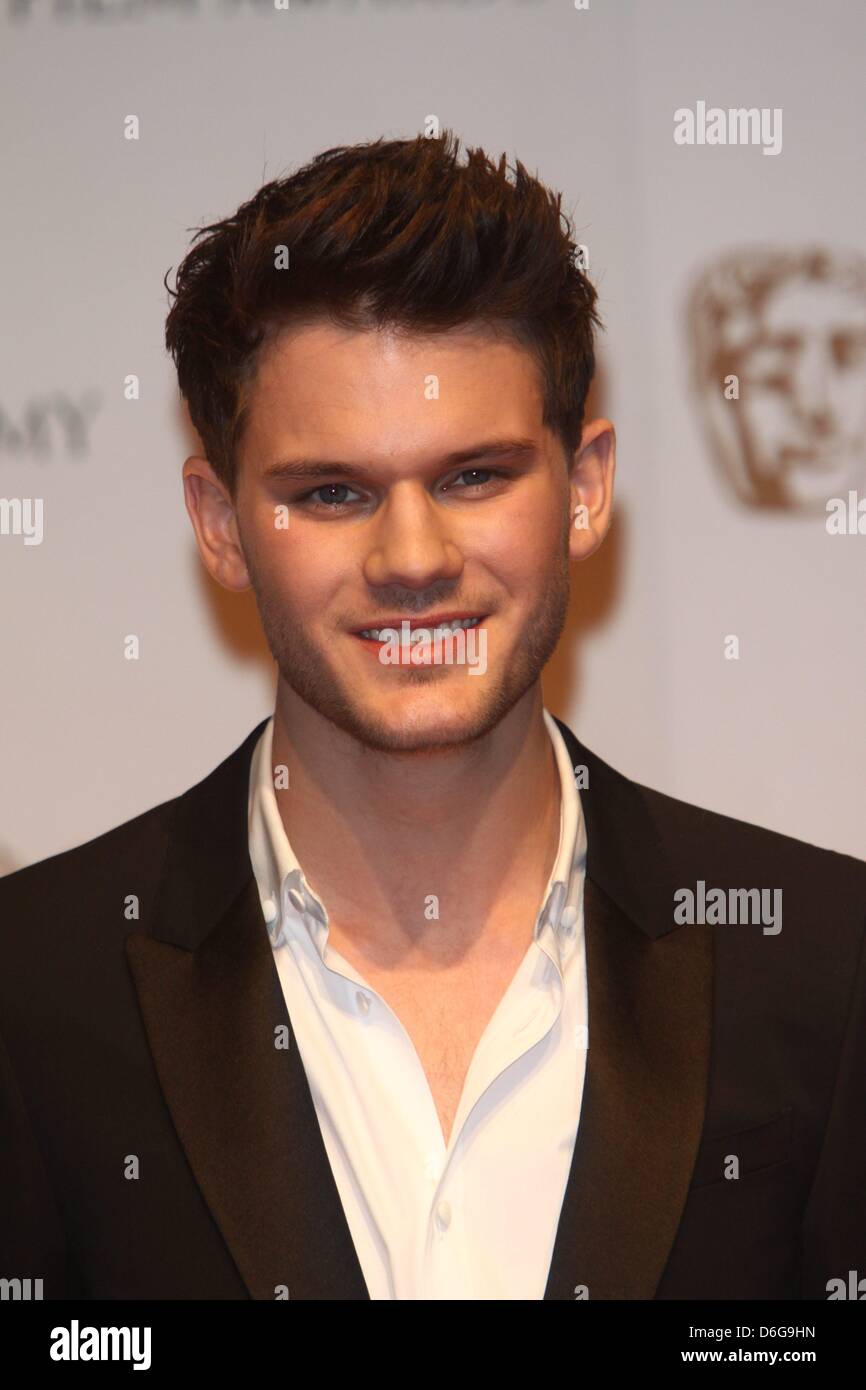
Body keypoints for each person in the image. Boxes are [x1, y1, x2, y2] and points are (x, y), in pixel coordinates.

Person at [1, 132, 863, 1301]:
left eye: (473, 476)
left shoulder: (823, 966)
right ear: (218, 524)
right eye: (333, 493)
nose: (412, 559)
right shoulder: (35, 988)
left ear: (586, 487)